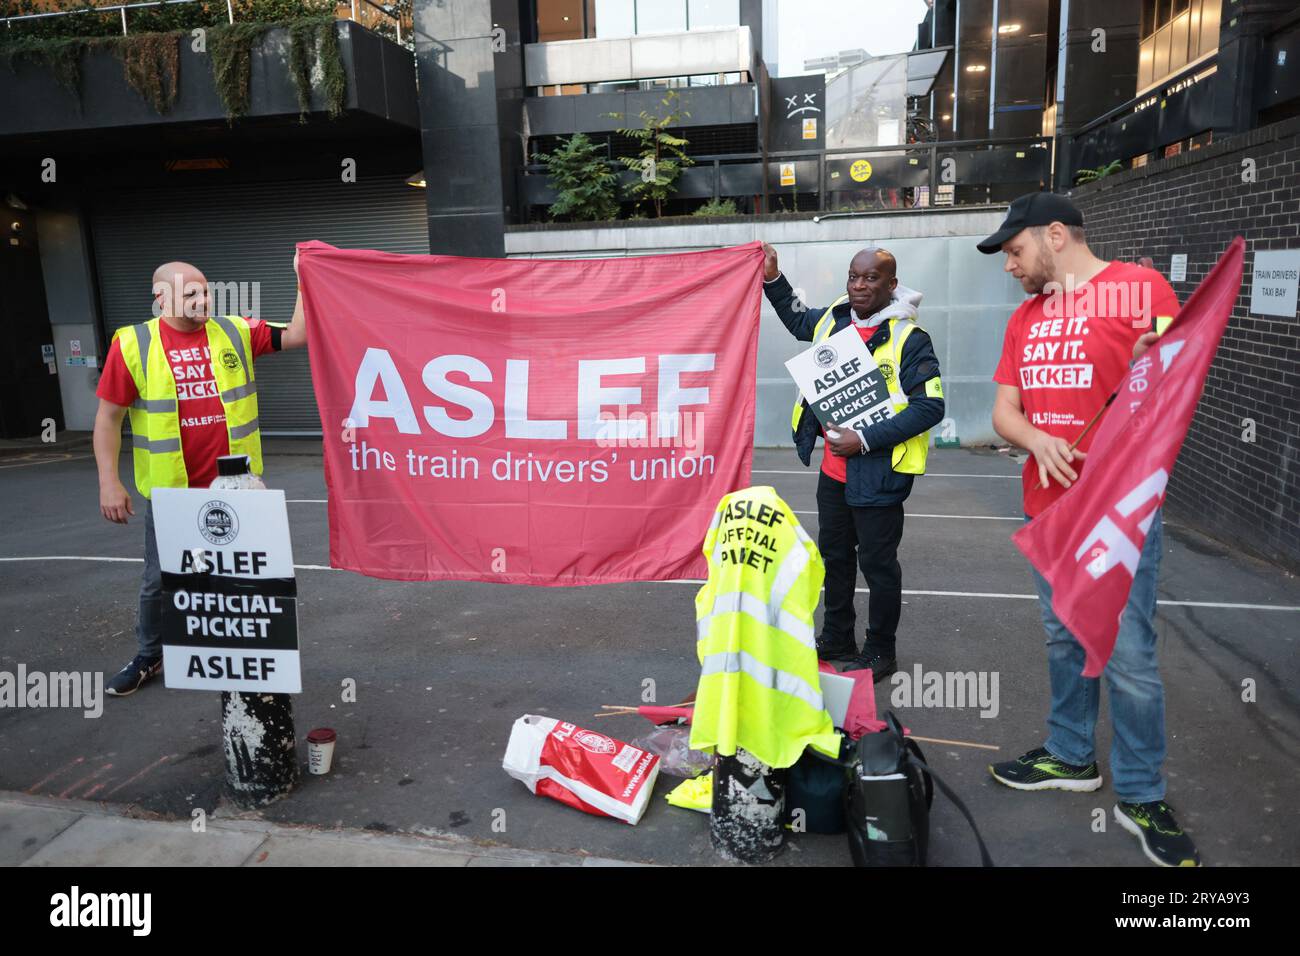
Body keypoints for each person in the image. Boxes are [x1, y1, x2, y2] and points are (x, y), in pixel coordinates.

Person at [979, 191, 1198, 867]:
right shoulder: (1025, 318)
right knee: (1062, 636)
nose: (1011, 266)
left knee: (1128, 651)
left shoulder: (1140, 287)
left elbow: (1179, 371)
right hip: (1048, 509)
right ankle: (1071, 754)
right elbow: (1003, 413)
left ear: (1055, 236)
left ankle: (1141, 793)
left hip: (1120, 509)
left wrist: (1154, 355)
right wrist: (1037, 437)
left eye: (1016, 251)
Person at [94, 257, 308, 697]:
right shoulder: (133, 343)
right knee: (159, 579)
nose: (202, 299)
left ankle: (243, 652)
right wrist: (108, 481)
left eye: (205, 290)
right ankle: (149, 654)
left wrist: (304, 275)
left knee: (246, 576)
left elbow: (298, 334)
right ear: (161, 299)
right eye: (190, 293)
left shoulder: (234, 331)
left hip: (238, 488)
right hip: (172, 493)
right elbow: (108, 418)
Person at [761, 243, 944, 681]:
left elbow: (930, 407)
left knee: (878, 567)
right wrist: (772, 277)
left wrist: (863, 439)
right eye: (853, 277)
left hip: (878, 474)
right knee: (835, 558)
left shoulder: (909, 338)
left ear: (891, 284)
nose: (859, 286)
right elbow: (797, 316)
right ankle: (838, 635)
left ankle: (881, 650)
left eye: (871, 278)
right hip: (833, 474)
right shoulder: (836, 317)